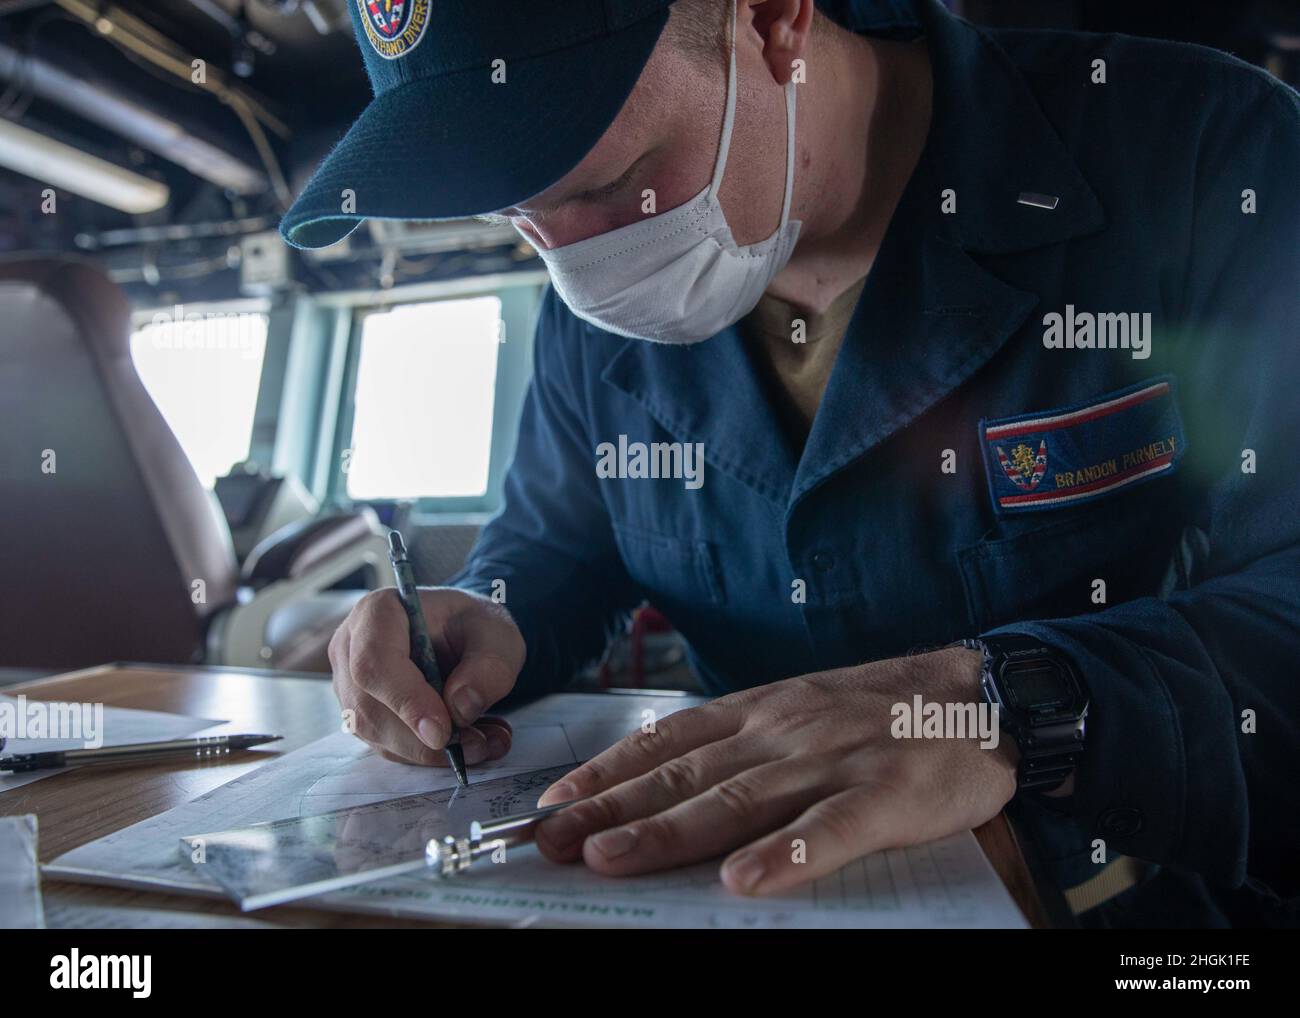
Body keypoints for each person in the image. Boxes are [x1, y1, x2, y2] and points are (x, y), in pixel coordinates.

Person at [282, 0, 1299, 927]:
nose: (572, 260)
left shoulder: (1209, 160)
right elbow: (557, 544)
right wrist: (481, 613)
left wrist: (1011, 704)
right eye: (513, 212)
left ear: (772, 22)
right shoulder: (595, 311)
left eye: (609, 183)